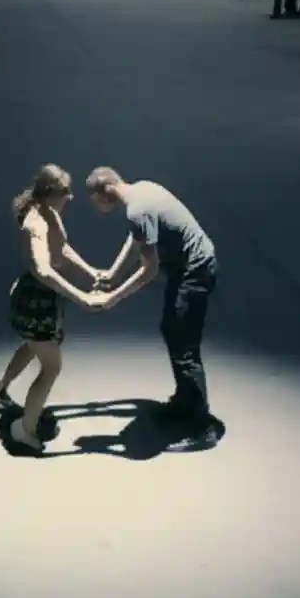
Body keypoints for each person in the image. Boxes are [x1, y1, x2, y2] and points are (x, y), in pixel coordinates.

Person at [85, 166, 224, 449]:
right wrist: (113, 273)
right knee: (172, 330)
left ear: (107, 190)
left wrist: (112, 298)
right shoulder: (142, 189)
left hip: (195, 271)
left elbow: (149, 270)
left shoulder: (136, 209)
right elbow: (137, 238)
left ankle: (203, 424)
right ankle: (185, 401)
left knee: (184, 346)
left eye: (94, 197)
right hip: (186, 268)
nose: (94, 204)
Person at [0, 164, 108, 453]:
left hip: (43, 299)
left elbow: (62, 248)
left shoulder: (49, 213)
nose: (70, 196)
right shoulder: (36, 224)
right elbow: (43, 269)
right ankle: (24, 431)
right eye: (64, 191)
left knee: (32, 346)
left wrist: (91, 271)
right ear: (49, 192)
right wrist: (83, 297)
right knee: (52, 367)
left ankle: (1, 390)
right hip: (36, 302)